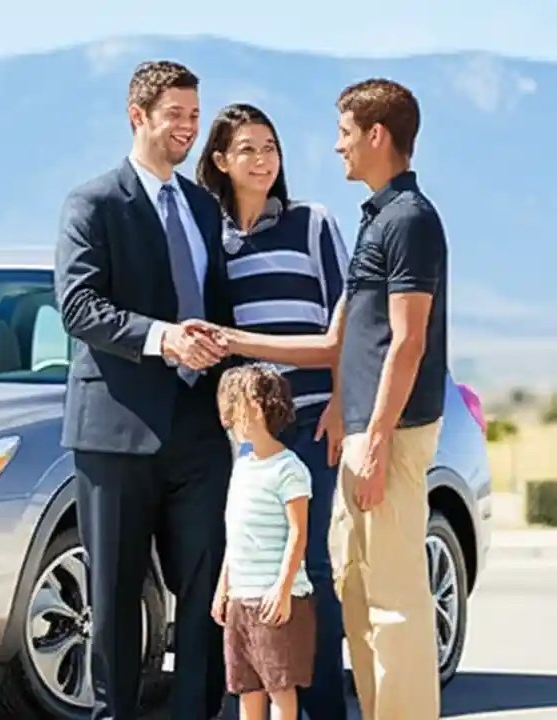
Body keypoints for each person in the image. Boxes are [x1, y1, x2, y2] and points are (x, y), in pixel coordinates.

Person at [188, 78, 447, 720]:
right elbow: (340, 338)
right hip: (361, 429)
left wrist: (374, 433)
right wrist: (230, 339)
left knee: (390, 601)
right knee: (361, 595)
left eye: (346, 134)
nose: (337, 148)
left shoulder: (408, 220)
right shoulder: (379, 219)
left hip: (377, 430)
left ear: (376, 136)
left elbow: (406, 343)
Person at [54, 59, 235, 720]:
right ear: (139, 116)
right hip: (117, 432)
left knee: (203, 593)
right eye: (176, 115)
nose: (188, 127)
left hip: (199, 430)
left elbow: (219, 306)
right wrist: (164, 338)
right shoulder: (94, 203)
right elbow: (78, 308)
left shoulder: (201, 208)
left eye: (195, 114)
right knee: (116, 597)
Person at [194, 103, 349, 720]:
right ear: (221, 161)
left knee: (309, 566)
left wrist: (341, 401)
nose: (262, 160)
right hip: (246, 439)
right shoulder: (214, 239)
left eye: (270, 148)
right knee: (252, 565)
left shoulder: (313, 223)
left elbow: (345, 320)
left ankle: (325, 708)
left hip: (311, 423)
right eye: (248, 149)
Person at [211, 362, 317, 720]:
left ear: (256, 407)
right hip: (242, 597)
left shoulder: (289, 469)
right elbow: (236, 534)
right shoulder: (242, 467)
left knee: (280, 687)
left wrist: (282, 589)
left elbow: (299, 532)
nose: (228, 418)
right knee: (247, 687)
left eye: (235, 407)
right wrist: (224, 587)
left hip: (275, 600)